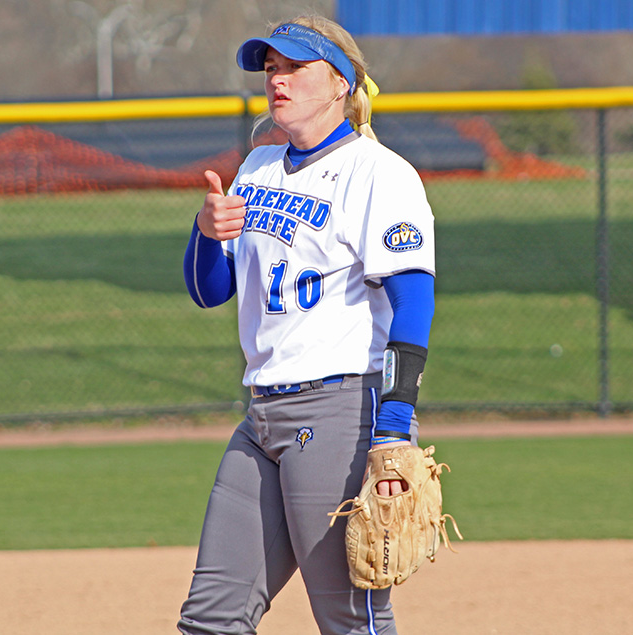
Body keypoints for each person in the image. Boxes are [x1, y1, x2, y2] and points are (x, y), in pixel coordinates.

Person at [178, 14, 436, 635]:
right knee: (211, 619)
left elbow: (414, 304)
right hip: (261, 416)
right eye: (271, 68)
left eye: (296, 67)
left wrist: (392, 430)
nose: (278, 80)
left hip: (341, 412)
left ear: (342, 83)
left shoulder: (380, 174)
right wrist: (206, 233)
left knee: (351, 619)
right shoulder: (258, 168)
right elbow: (209, 291)